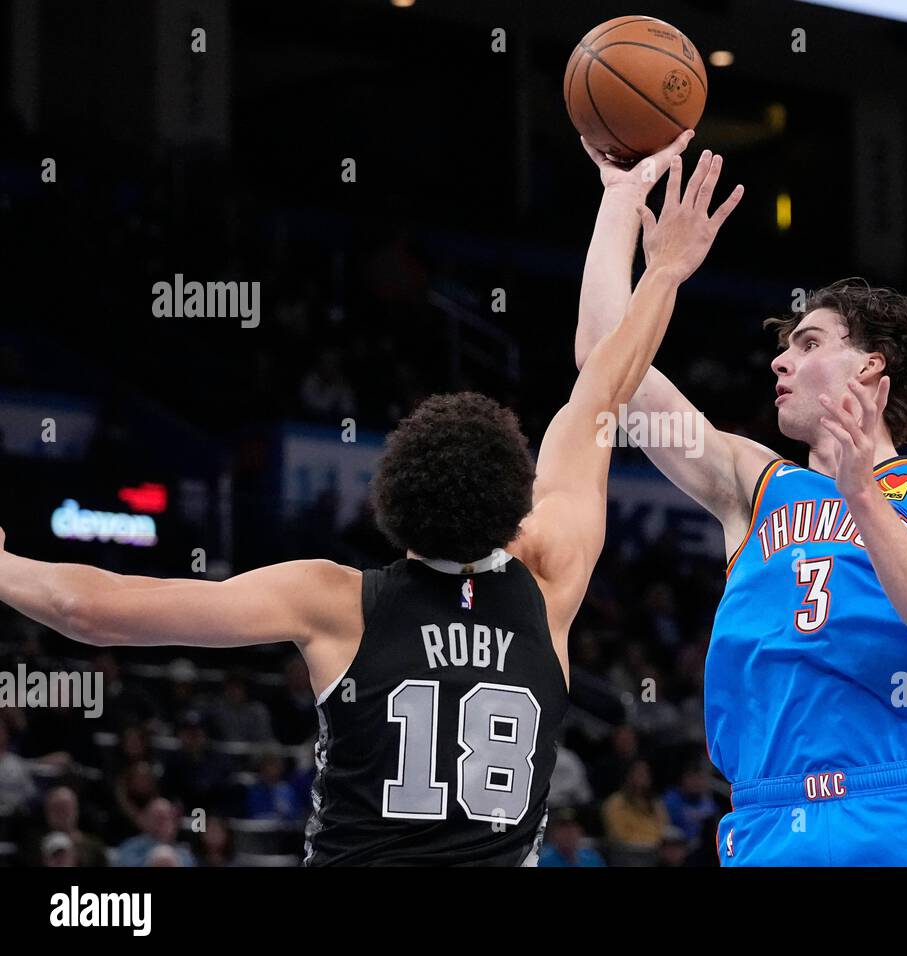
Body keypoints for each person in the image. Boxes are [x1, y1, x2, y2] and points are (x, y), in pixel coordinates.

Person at [0, 142, 741, 866]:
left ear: (391, 499)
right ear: (517, 506)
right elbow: (603, 386)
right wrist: (656, 255)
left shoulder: (334, 600)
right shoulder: (551, 581)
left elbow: (91, 608)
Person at [575, 132, 907, 865]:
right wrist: (621, 207)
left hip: (893, 809)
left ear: (870, 366)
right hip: (768, 818)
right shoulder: (752, 479)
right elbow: (604, 368)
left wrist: (863, 496)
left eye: (807, 342)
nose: (780, 359)